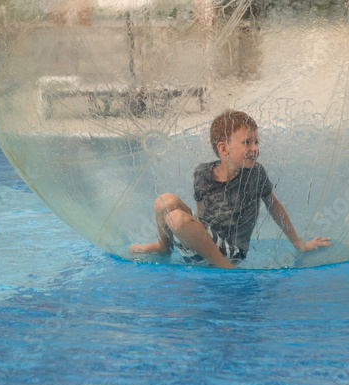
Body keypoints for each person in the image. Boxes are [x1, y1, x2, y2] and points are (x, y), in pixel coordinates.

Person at [130, 110, 331, 268]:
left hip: (231, 253)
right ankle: (164, 246)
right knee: (164, 201)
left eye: (256, 142)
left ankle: (224, 265)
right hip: (202, 248)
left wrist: (299, 243)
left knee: (177, 218)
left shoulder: (255, 174)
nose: (255, 148)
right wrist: (194, 233)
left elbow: (274, 207)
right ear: (224, 148)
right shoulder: (203, 173)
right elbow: (201, 216)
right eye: (247, 142)